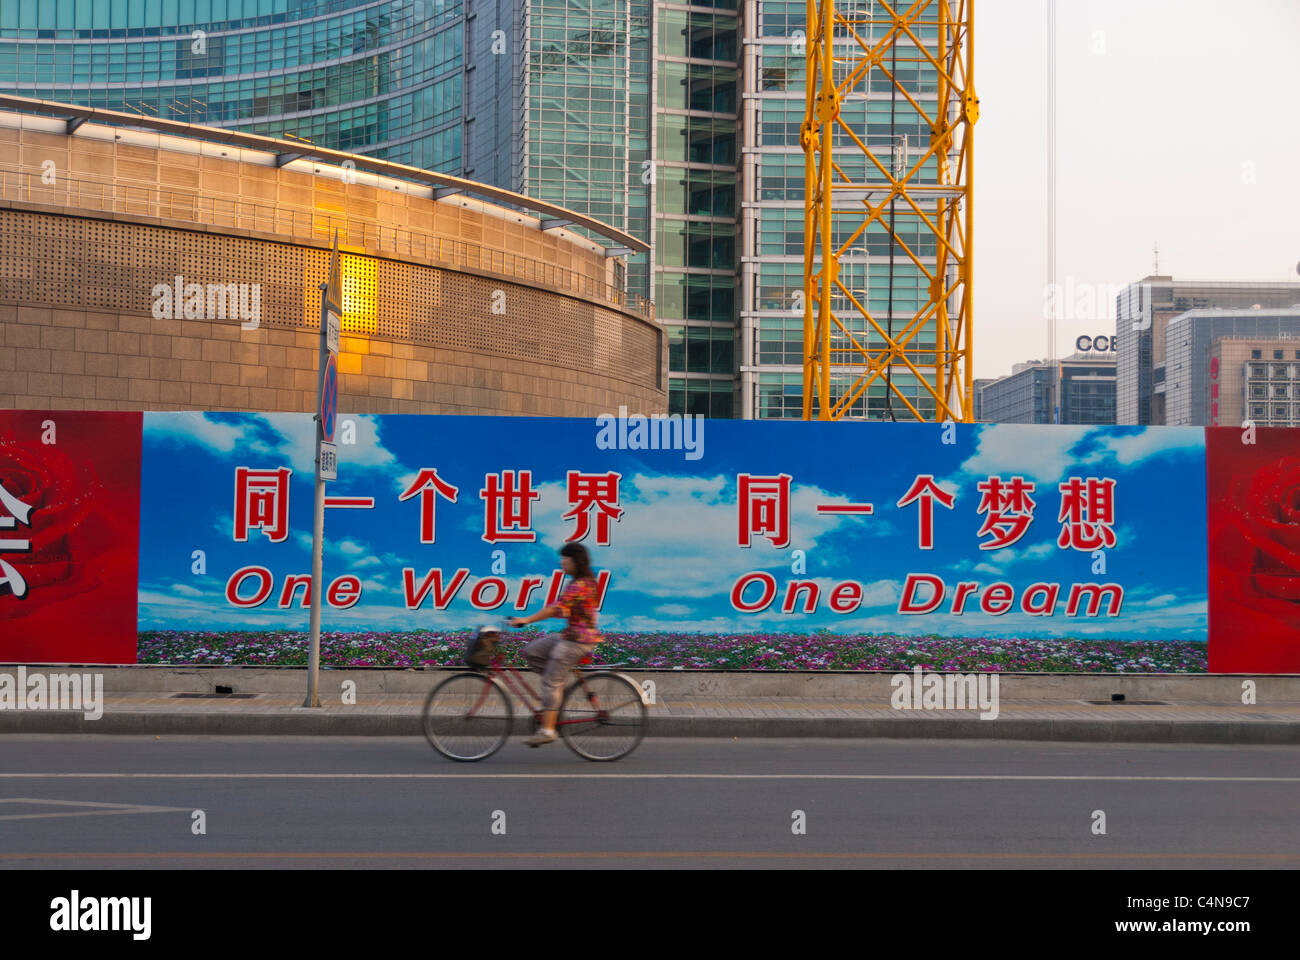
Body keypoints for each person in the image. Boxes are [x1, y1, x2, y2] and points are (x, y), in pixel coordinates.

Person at [508, 542, 602, 746]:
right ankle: (557, 690)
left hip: (579, 641)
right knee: (531, 651)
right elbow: (563, 609)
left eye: (565, 559)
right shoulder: (578, 583)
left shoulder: (582, 585)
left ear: (575, 561)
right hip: (568, 636)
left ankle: (548, 730)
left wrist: (526, 619)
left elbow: (556, 609)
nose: (561, 562)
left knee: (551, 682)